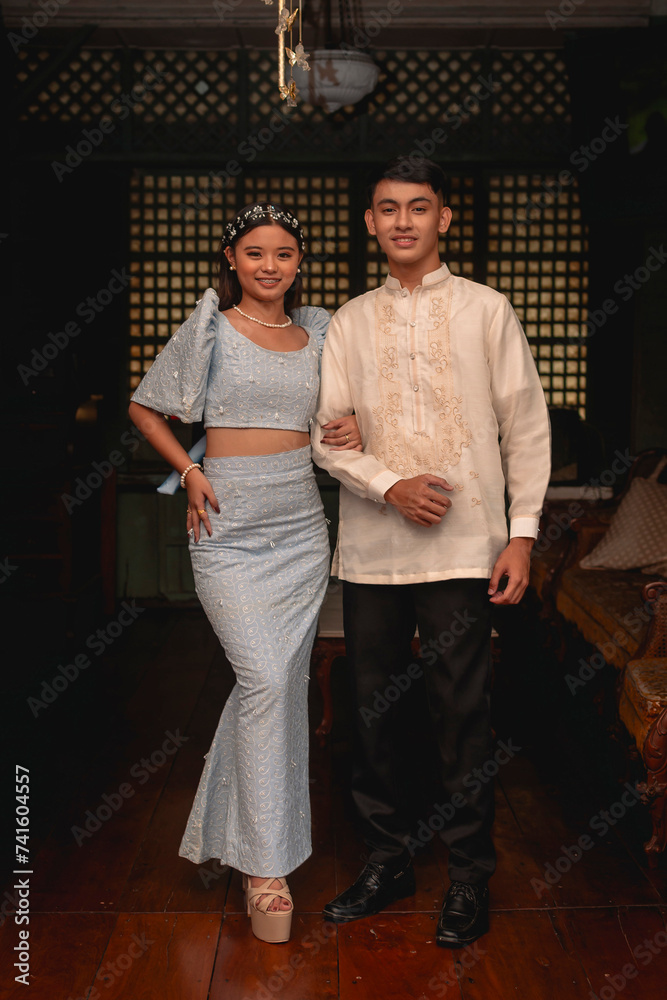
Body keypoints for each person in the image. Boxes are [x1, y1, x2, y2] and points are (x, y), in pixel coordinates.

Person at [310, 159, 551, 948]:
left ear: (443, 218)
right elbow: (326, 435)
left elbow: (524, 425)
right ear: (370, 223)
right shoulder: (349, 322)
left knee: (462, 713)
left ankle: (469, 875)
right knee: (373, 713)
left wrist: (520, 534)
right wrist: (390, 484)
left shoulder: (486, 310)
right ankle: (387, 860)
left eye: (418, 208)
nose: (402, 221)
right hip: (373, 547)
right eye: (387, 209)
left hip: (465, 546)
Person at [128, 201, 361, 944]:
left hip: (299, 529)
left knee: (275, 687)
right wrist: (189, 471)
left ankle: (249, 850)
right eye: (255, 252)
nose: (269, 265)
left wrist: (357, 422)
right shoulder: (209, 327)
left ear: (299, 263)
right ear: (231, 258)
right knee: (264, 681)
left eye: (284, 253)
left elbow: (351, 408)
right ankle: (265, 868)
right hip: (226, 525)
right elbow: (145, 408)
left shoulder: (320, 331)